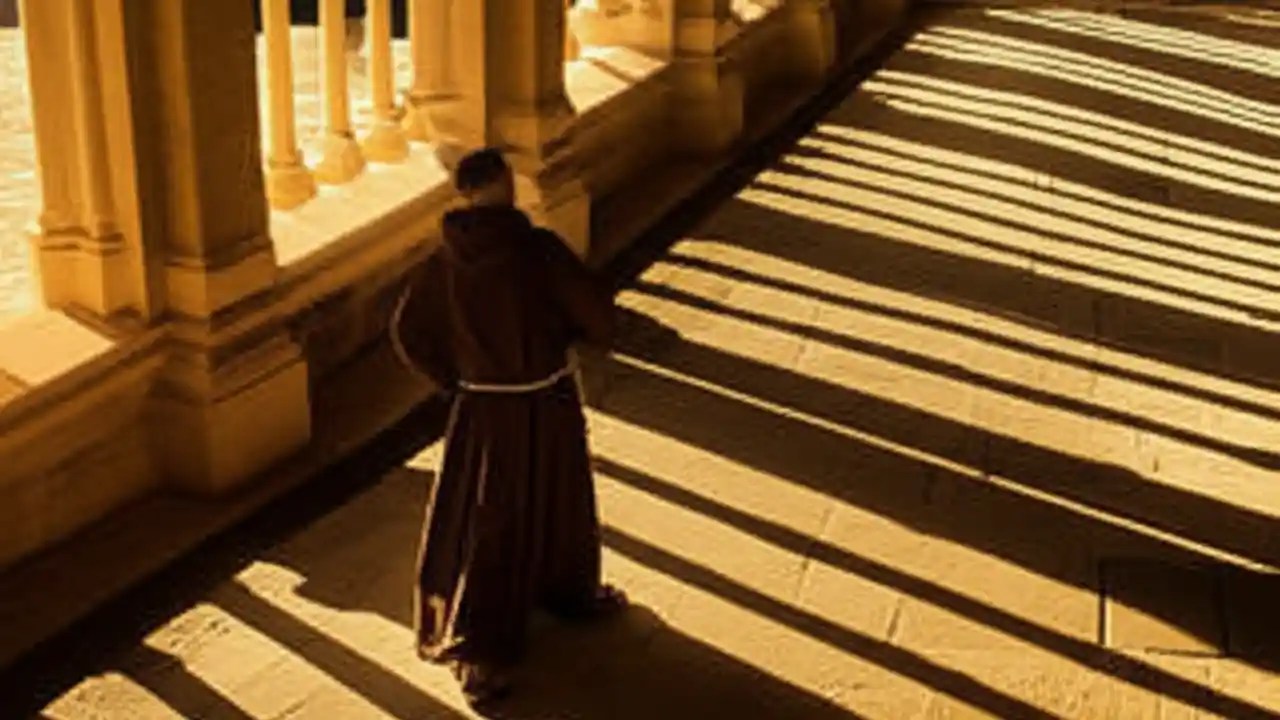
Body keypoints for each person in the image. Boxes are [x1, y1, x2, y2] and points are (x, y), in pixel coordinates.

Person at [389, 148, 627, 705]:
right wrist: (566, 338)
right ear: (505, 186)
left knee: (486, 517)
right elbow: (597, 315)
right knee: (558, 498)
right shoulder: (537, 251)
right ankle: (543, 609)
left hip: (482, 410)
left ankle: (482, 646)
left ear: (464, 195)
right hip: (542, 400)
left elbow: (407, 332)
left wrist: (458, 380)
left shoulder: (442, 262)